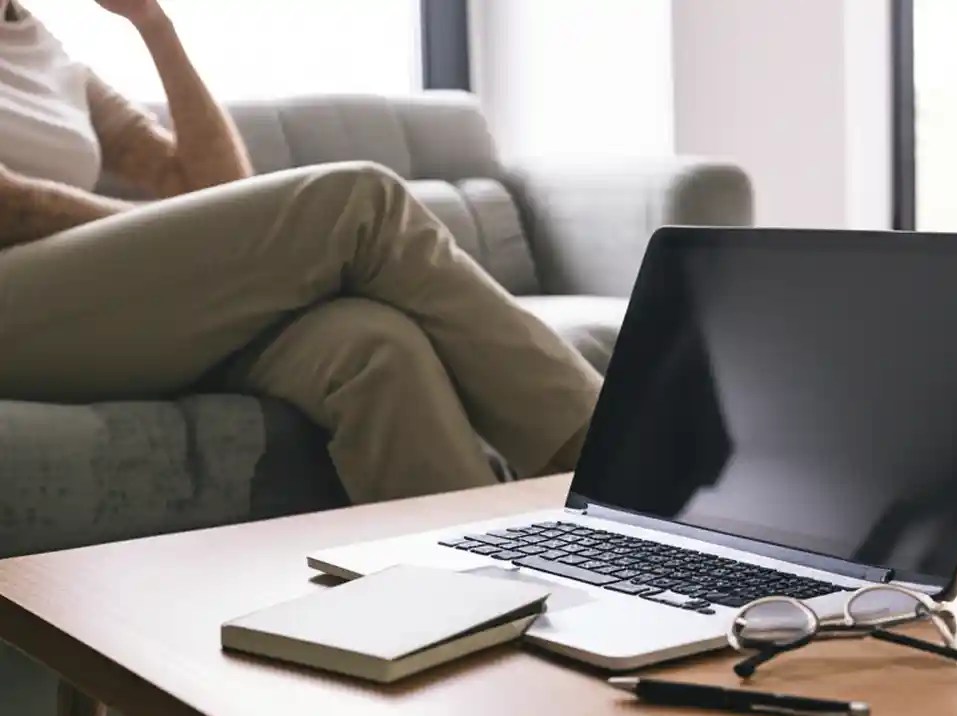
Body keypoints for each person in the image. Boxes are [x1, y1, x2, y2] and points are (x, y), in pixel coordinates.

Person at [0, 0, 603, 503]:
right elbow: (12, 206)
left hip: (95, 308)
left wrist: (153, 23)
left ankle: (492, 584)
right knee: (359, 202)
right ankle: (611, 463)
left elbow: (212, 188)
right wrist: (192, 236)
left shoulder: (40, 46)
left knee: (371, 347)